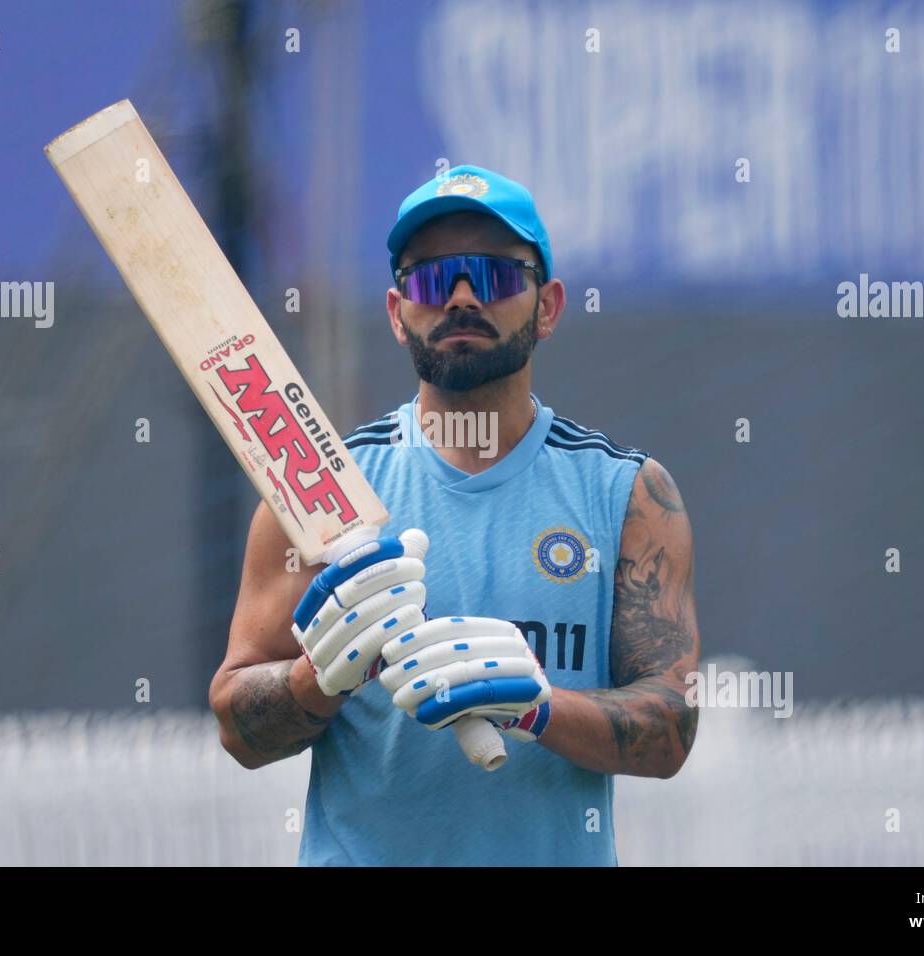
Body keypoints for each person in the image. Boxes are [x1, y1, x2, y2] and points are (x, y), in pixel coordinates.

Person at [210, 166, 700, 865]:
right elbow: (238, 729)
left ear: (549, 305)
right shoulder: (312, 493)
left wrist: (537, 708)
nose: (462, 297)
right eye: (433, 279)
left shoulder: (627, 495)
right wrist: (317, 677)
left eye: (494, 275)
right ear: (395, 310)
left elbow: (671, 727)